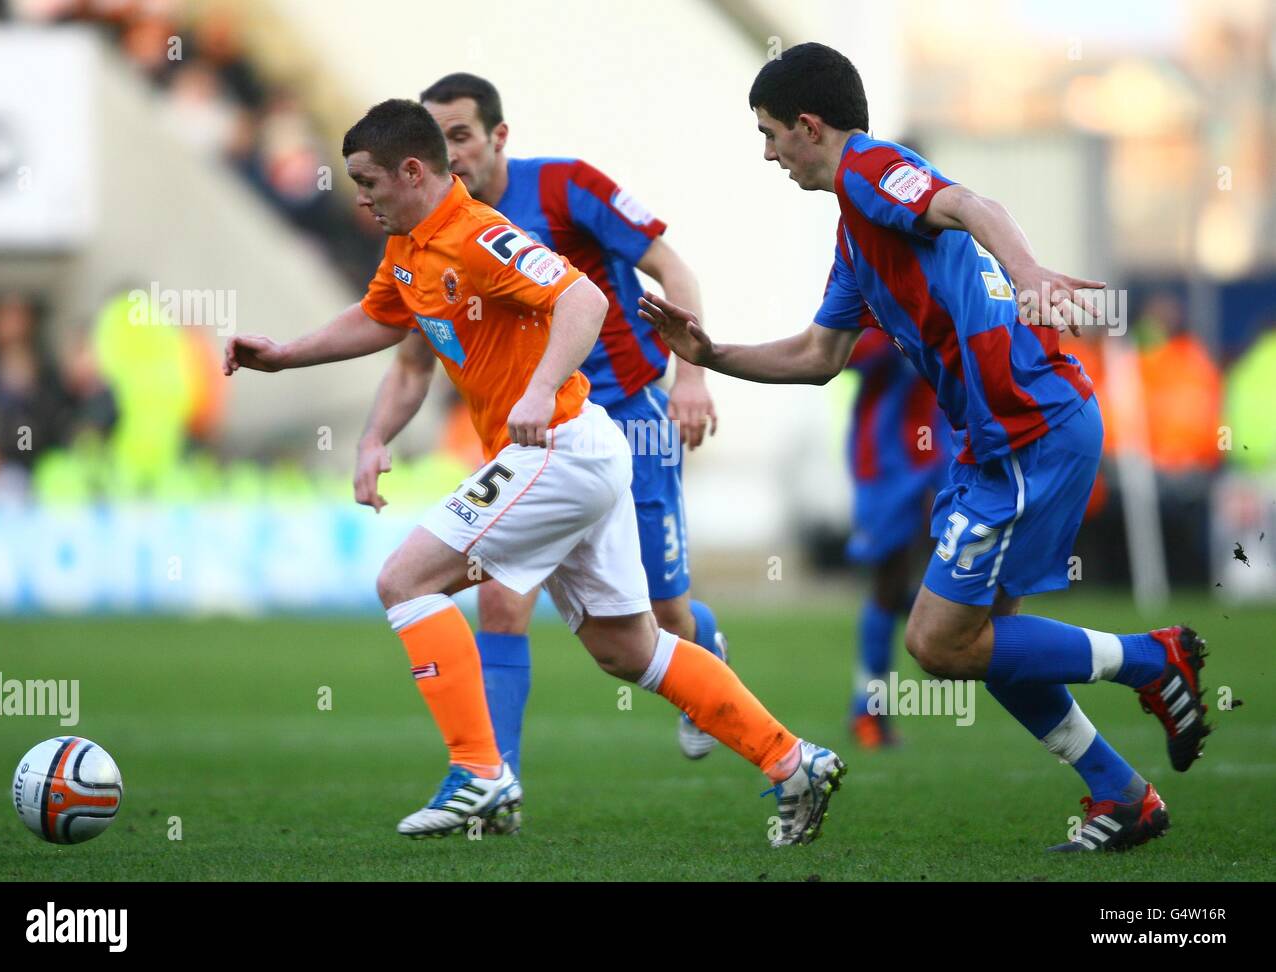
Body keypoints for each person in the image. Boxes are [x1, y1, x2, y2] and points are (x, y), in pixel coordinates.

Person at [224, 98, 844, 846]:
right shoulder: (410, 246)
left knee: (404, 581)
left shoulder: (479, 233)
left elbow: (582, 298)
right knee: (628, 649)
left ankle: (480, 773)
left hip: (559, 445)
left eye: (367, 181)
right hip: (576, 449)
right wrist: (286, 354)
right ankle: (792, 762)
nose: (359, 196)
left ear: (412, 172)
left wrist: (542, 387)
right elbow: (378, 317)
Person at [640, 43, 1210, 852]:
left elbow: (971, 204)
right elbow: (817, 358)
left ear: (810, 126)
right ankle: (1123, 795)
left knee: (938, 644)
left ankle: (1152, 661)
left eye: (770, 134)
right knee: (984, 645)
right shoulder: (854, 234)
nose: (767, 153)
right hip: (1000, 443)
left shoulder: (872, 168)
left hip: (1028, 430)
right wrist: (712, 354)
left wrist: (1030, 273)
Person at [842, 325, 951, 747]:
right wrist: (895, 330)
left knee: (953, 578)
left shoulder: (949, 298)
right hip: (885, 469)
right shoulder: (873, 300)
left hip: (943, 459)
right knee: (888, 583)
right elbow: (842, 355)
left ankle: (946, 638)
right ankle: (868, 710)